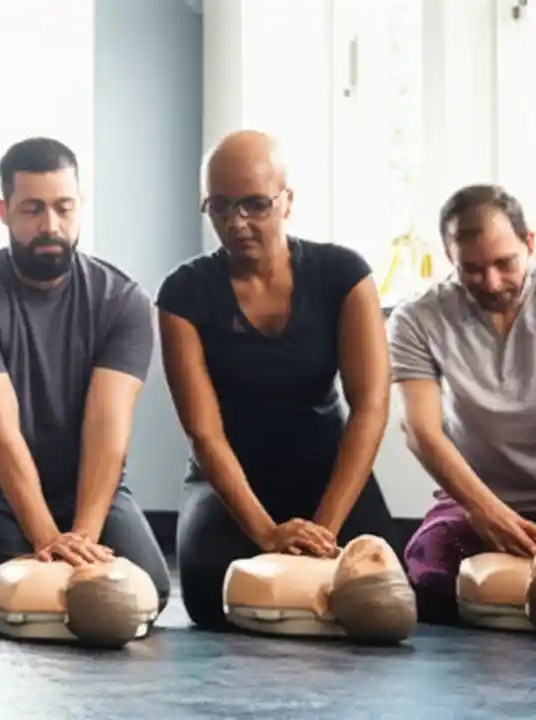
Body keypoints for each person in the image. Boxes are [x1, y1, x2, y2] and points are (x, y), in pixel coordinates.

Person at [0, 137, 170, 632]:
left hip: (86, 490)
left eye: (63, 208)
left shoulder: (123, 300)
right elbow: (1, 434)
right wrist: (47, 538)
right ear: (4, 212)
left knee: (147, 592)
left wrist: (83, 540)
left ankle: (35, 581)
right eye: (32, 209)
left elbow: (108, 431)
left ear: (79, 207)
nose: (50, 225)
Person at [156, 129, 399, 629]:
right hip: (230, 481)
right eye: (220, 206)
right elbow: (204, 432)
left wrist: (323, 532)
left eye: (255, 204)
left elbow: (371, 407)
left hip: (326, 471)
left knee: (380, 591)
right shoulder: (183, 293)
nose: (236, 222)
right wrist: (266, 534)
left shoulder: (343, 275)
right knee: (211, 594)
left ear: (287, 200)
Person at [392, 185, 536, 624]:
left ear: (530, 243)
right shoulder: (416, 318)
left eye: (505, 263)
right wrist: (485, 510)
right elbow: (420, 431)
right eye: (472, 269)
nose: (491, 282)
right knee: (429, 564)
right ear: (449, 257)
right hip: (475, 500)